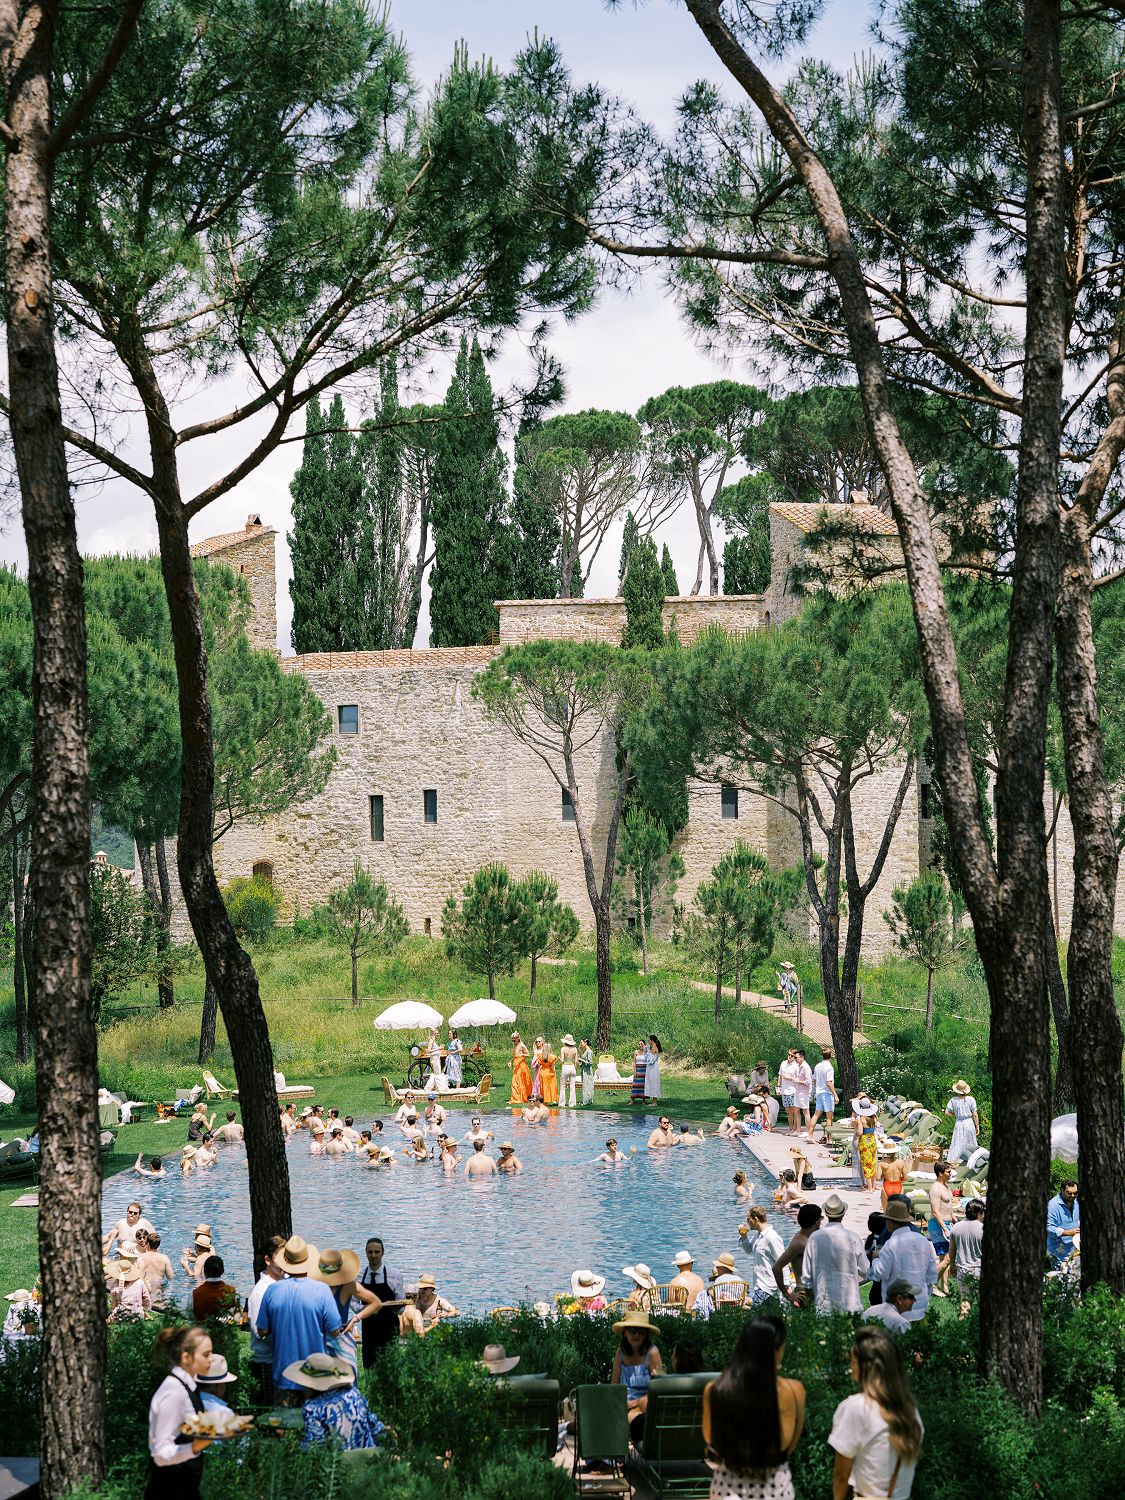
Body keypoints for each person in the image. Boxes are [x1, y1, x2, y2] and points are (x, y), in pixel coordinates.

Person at [703, 1314, 805, 1500]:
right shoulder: (794, 1391)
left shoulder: (715, 1390)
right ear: (777, 1350)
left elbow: (711, 1441)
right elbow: (789, 1446)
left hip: (728, 1486)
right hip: (776, 1488)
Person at [828, 1327, 924, 1500]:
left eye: (852, 1358)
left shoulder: (855, 1409)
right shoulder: (910, 1409)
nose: (850, 1364)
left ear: (865, 1366)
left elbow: (841, 1478)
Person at [256, 1235, 344, 1402]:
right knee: (313, 1424)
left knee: (284, 1424)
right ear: (308, 1261)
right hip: (314, 1375)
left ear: (285, 1262)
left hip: (283, 1373)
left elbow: (262, 1331)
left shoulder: (272, 1290)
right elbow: (335, 1330)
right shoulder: (322, 1290)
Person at [144, 1325, 217, 1499]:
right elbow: (160, 1454)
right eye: (206, 1354)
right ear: (186, 1357)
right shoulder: (174, 1393)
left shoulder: (187, 1387)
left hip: (185, 1488)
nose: (212, 1359)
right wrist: (194, 1447)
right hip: (168, 1490)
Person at [284, 1353, 386, 1452]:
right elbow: (374, 1425)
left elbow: (315, 1446)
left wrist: (291, 1442)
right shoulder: (353, 1393)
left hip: (338, 1465)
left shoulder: (313, 1408)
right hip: (368, 1457)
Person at [312, 1248, 386, 1372]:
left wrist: (356, 1318)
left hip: (322, 1337)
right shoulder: (348, 1286)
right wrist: (355, 1319)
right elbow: (376, 1303)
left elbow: (376, 1303)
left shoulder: (316, 1285)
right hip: (335, 1338)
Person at [800, 1193, 868, 1314]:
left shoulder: (814, 1238)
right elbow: (865, 1270)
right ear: (843, 1214)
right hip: (850, 1304)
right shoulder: (853, 1238)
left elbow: (807, 1276)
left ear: (826, 1214)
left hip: (824, 1305)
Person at [870, 1201, 938, 1322]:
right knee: (917, 1338)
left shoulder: (890, 1244)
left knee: (898, 1338)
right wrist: (926, 1292)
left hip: (897, 1307)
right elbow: (932, 1274)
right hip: (920, 1301)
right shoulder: (922, 1240)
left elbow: (881, 1273)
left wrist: (875, 1259)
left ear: (890, 1222)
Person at [248, 1234, 288, 1403]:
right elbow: (259, 1331)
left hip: (285, 1359)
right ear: (268, 1260)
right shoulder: (260, 1292)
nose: (285, 1263)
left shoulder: (287, 1282)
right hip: (267, 1362)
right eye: (280, 1258)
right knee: (271, 1412)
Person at [613, 1311, 663, 1438]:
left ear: (646, 1334)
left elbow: (661, 1386)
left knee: (644, 1410)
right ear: (625, 1333)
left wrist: (637, 1402)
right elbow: (614, 1386)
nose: (636, 1335)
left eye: (641, 1331)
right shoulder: (620, 1353)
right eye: (632, 1331)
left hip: (646, 1402)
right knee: (633, 1419)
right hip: (626, 1403)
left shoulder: (652, 1352)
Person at [358, 1237, 405, 1368]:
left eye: (377, 1252)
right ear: (365, 1252)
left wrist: (397, 1307)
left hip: (389, 1328)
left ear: (383, 1252)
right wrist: (365, 1308)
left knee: (390, 1367)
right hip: (368, 1328)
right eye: (370, 1252)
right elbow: (353, 1303)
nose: (373, 1255)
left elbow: (401, 1308)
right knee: (369, 1366)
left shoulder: (395, 1275)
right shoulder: (359, 1276)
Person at [770, 1203, 822, 1301]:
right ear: (816, 1222)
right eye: (820, 1218)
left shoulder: (811, 1238)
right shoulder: (799, 1242)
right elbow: (776, 1268)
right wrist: (787, 1295)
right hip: (803, 1293)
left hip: (815, 1291)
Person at [737, 1206, 785, 1306]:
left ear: (755, 1219)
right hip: (761, 1285)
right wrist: (744, 1237)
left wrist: (786, 1286)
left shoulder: (772, 1237)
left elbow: (782, 1261)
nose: (747, 1222)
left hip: (769, 1287)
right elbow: (749, 1250)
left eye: (748, 1219)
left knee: (754, 1318)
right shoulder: (758, 1236)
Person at [927, 1161, 955, 1292]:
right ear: (940, 1173)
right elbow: (935, 1211)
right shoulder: (936, 1188)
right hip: (939, 1226)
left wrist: (955, 1221)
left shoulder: (946, 1187)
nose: (951, 1174)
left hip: (947, 1224)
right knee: (947, 1259)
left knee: (945, 1259)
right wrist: (945, 1229)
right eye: (948, 1172)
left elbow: (949, 1208)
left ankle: (945, 1288)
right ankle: (931, 1284)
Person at [948, 1198, 985, 1288]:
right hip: (978, 1270)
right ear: (978, 1214)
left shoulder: (956, 1227)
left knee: (965, 1300)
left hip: (962, 1270)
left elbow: (952, 1249)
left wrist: (952, 1265)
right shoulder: (983, 1228)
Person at [192, 1257, 237, 1321]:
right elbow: (236, 1316)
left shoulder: (194, 1294)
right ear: (223, 1271)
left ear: (204, 1272)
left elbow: (190, 1318)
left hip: (202, 1330)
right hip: (225, 1329)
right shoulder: (232, 1291)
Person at [945, 1081, 981, 1164]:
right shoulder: (971, 1099)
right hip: (969, 1122)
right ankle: (971, 1161)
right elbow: (975, 1114)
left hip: (959, 1122)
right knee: (970, 1142)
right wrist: (977, 1126)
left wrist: (956, 1115)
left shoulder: (953, 1100)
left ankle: (954, 1161)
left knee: (957, 1142)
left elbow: (947, 1112)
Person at [1047, 1179, 1080, 1264]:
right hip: (1058, 1253)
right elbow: (1049, 1228)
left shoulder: (1077, 1201)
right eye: (1069, 1193)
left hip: (1075, 1250)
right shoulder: (1052, 1205)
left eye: (1075, 1193)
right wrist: (1067, 1232)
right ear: (1062, 1190)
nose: (1073, 1196)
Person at [139, 1232, 175, 1308]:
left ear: (147, 1244)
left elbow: (139, 1278)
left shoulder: (141, 1258)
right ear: (158, 1245)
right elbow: (171, 1277)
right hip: (158, 1292)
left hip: (145, 1292)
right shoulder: (165, 1258)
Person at [809, 1048, 839, 1140]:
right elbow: (829, 1082)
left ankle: (809, 1135)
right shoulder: (829, 1067)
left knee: (816, 1114)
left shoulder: (818, 1066)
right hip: (827, 1093)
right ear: (831, 1056)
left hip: (819, 1093)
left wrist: (815, 1089)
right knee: (829, 1117)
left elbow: (813, 1079)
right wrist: (835, 1095)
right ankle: (828, 1138)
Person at [852, 1094, 880, 1191]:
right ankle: (873, 1185)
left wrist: (855, 1129)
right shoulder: (874, 1117)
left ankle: (870, 1188)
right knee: (872, 1163)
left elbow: (860, 1132)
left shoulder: (861, 1118)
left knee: (866, 1164)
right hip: (872, 1140)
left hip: (864, 1141)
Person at [777, 1050, 799, 1134]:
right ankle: (790, 1128)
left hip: (793, 1090)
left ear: (795, 1057)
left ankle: (795, 1129)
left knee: (794, 1111)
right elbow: (780, 1076)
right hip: (784, 1090)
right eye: (789, 1055)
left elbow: (797, 1079)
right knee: (788, 1111)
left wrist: (789, 1077)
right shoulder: (783, 1063)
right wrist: (778, 1087)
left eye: (792, 1056)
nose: (789, 1056)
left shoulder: (796, 1066)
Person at [792, 1050, 813, 1136]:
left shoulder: (806, 1067)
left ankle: (808, 1131)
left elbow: (808, 1082)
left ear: (802, 1057)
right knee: (796, 1110)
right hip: (798, 1091)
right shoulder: (798, 1067)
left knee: (805, 1111)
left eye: (796, 1058)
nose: (795, 1059)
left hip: (804, 1092)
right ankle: (798, 1130)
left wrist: (798, 1081)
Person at [509, 1032, 532, 1106]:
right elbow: (515, 1055)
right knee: (515, 1082)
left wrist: (522, 1054)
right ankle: (516, 1098)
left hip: (522, 1066)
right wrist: (510, 1061)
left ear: (518, 1038)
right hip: (516, 1066)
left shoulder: (522, 1045)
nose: (513, 1042)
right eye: (512, 1040)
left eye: (514, 1040)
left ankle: (519, 1098)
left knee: (518, 1082)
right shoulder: (515, 1045)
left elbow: (528, 1054)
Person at [559, 1034, 579, 1107]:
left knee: (563, 1086)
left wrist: (559, 1058)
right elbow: (576, 1061)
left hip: (566, 1067)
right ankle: (572, 1103)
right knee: (572, 1086)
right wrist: (575, 1069)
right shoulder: (575, 1049)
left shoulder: (563, 1049)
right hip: (572, 1067)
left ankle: (562, 1103)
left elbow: (562, 1061)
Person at [539, 1039, 559, 1106]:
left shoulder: (540, 1056)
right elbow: (552, 1067)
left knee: (543, 1087)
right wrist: (554, 1072)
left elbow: (539, 1065)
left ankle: (544, 1101)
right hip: (549, 1073)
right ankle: (551, 1099)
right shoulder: (552, 1057)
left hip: (542, 1072)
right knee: (551, 1087)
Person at [645, 1035, 663, 1101]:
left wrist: (646, 1052)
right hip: (653, 1067)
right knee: (653, 1082)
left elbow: (650, 1060)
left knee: (653, 1082)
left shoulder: (654, 1048)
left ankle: (654, 1102)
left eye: (649, 1040)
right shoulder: (653, 1047)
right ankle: (653, 1101)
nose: (648, 1041)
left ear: (652, 1040)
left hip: (653, 1067)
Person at [631, 1040, 649, 1104]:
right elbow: (635, 1062)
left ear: (644, 1045)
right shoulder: (636, 1052)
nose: (640, 1045)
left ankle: (643, 1100)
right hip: (638, 1070)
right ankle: (632, 1100)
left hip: (644, 1070)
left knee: (643, 1085)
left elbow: (648, 1062)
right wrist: (635, 1071)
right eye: (639, 1044)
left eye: (642, 1044)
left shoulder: (646, 1053)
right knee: (635, 1085)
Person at [580, 1038, 595, 1106]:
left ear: (585, 1043)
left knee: (587, 1085)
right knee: (585, 1084)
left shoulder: (589, 1051)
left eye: (581, 1043)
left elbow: (590, 1062)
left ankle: (587, 1100)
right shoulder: (585, 1051)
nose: (580, 1044)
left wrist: (582, 1060)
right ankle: (587, 1100)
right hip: (584, 1069)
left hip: (587, 1071)